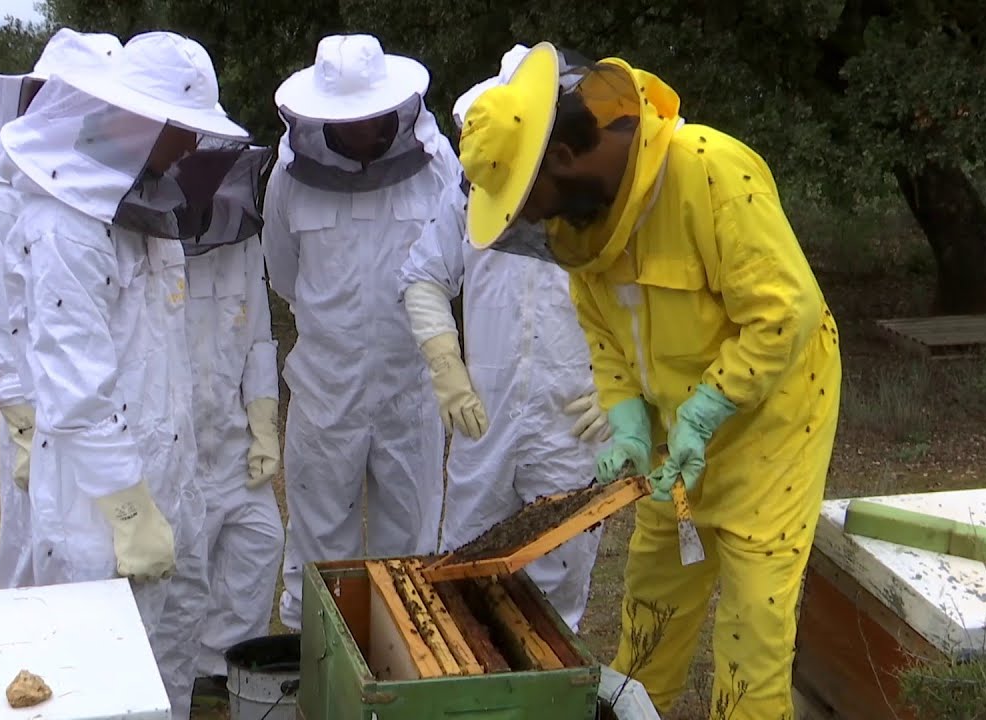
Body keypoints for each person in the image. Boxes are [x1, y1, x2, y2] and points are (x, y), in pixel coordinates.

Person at [458, 42, 842, 720]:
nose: (541, 225)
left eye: (535, 204)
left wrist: (706, 411)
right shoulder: (590, 225)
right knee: (655, 589)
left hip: (772, 424)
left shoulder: (709, 171)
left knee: (755, 615)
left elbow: (785, 312)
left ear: (567, 160)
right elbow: (604, 335)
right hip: (672, 426)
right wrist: (630, 417)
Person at [0, 31, 254, 720]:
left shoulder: (146, 214)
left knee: (166, 662)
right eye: (181, 131)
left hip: (170, 478)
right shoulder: (62, 225)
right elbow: (77, 388)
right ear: (138, 121)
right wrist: (129, 510)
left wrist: (170, 495)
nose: (191, 149)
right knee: (98, 680)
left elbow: (160, 360)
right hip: (98, 508)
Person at [398, 43, 609, 632]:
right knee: (464, 568)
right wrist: (446, 369)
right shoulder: (472, 189)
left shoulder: (599, 193)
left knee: (560, 582)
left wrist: (628, 386)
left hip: (571, 419)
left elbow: (647, 297)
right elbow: (422, 277)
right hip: (483, 418)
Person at [263, 34, 456, 630]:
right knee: (320, 544)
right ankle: (313, 669)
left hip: (414, 384)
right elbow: (285, 273)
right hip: (326, 390)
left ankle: (405, 668)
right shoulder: (290, 178)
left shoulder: (437, 164)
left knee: (413, 542)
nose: (360, 129)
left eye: (369, 115)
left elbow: (453, 261)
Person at [0, 28, 123, 590]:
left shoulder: (103, 197)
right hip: (35, 402)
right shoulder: (6, 200)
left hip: (90, 407)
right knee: (28, 540)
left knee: (85, 548)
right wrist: (18, 414)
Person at [178, 144, 285, 692]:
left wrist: (264, 421)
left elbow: (259, 338)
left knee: (259, 542)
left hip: (234, 435)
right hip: (180, 444)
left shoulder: (242, 239)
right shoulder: (147, 241)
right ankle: (182, 670)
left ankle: (222, 665)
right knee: (185, 565)